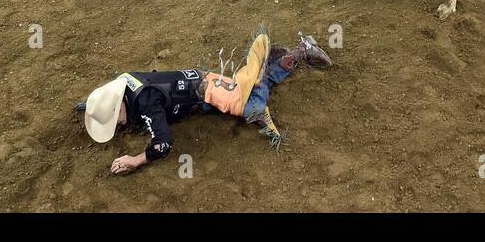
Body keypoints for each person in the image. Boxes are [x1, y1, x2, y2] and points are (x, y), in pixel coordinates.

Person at [79, 31, 332, 172]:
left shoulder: (146, 104)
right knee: (243, 92)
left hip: (206, 90)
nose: (118, 125)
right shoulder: (123, 82)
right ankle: (273, 61)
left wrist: (135, 160)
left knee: (252, 106)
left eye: (114, 119)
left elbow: (163, 144)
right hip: (196, 89)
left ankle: (299, 52)